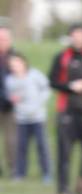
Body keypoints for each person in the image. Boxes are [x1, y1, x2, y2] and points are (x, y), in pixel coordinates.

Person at [48, 24, 82, 194]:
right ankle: (63, 188)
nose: (79, 38)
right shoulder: (62, 57)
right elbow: (52, 81)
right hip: (67, 110)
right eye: (76, 34)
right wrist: (70, 86)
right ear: (71, 36)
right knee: (65, 151)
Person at [4, 52, 51, 181]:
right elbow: (10, 95)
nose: (14, 67)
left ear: (23, 63)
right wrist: (12, 99)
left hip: (37, 118)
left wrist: (39, 103)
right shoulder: (10, 80)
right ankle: (20, 173)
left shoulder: (34, 75)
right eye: (12, 65)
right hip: (21, 118)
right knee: (21, 147)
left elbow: (46, 88)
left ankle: (47, 173)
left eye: (16, 64)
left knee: (42, 146)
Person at [0, 25, 16, 177]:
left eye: (5, 38)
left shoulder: (15, 57)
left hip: (10, 105)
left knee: (11, 139)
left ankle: (13, 168)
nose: (2, 41)